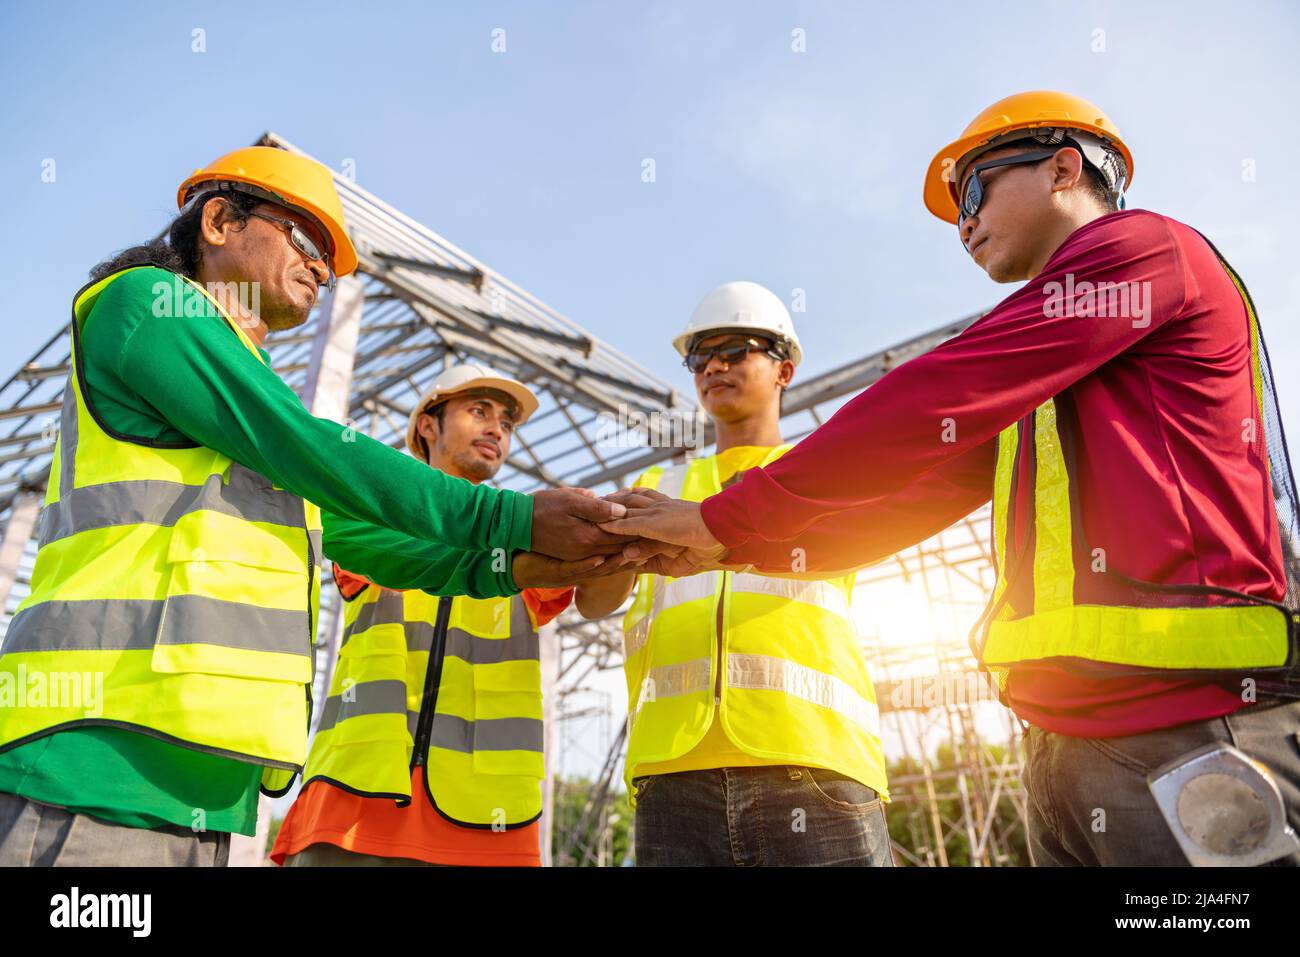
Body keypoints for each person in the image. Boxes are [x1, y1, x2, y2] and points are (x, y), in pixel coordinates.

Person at [603, 91, 1300, 866]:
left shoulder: (1144, 252)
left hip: (1191, 723)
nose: (963, 225)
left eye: (974, 191)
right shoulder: (1053, 354)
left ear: (1065, 166)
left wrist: (719, 519)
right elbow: (897, 509)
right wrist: (722, 547)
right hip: (1065, 746)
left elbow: (936, 393)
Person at [0, 146, 633, 867]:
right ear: (217, 220)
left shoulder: (239, 402)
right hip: (89, 764)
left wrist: (534, 555)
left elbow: (376, 543)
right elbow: (308, 444)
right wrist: (512, 518)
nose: (321, 272)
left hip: (203, 788)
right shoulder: (144, 304)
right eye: (306, 241)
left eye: (329, 265)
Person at [577, 282, 891, 867]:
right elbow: (594, 603)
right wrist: (610, 548)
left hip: (811, 760)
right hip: (675, 775)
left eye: (735, 348)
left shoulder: (825, 472)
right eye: (699, 356)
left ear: (785, 370)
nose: (713, 365)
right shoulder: (656, 487)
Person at [273, 365, 571, 866]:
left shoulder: (528, 538)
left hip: (486, 823)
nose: (497, 428)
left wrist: (623, 534)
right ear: (427, 427)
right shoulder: (371, 513)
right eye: (479, 411)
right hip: (355, 810)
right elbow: (416, 547)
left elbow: (599, 586)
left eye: (507, 422)